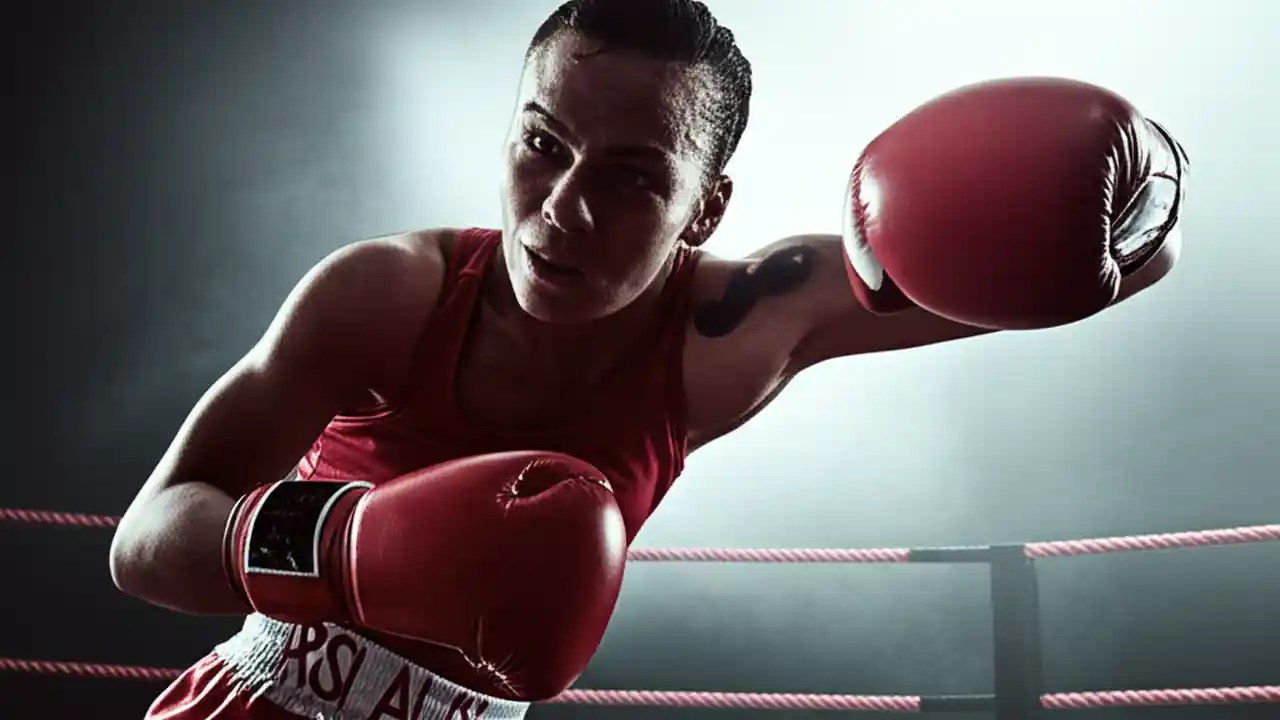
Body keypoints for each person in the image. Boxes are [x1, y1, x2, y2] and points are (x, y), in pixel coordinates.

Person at [108, 1, 1189, 718]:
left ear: (703, 206)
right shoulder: (390, 292)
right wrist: (348, 545)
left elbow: (1104, 258)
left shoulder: (746, 322)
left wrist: (1140, 199)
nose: (563, 210)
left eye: (630, 177)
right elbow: (146, 540)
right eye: (541, 144)